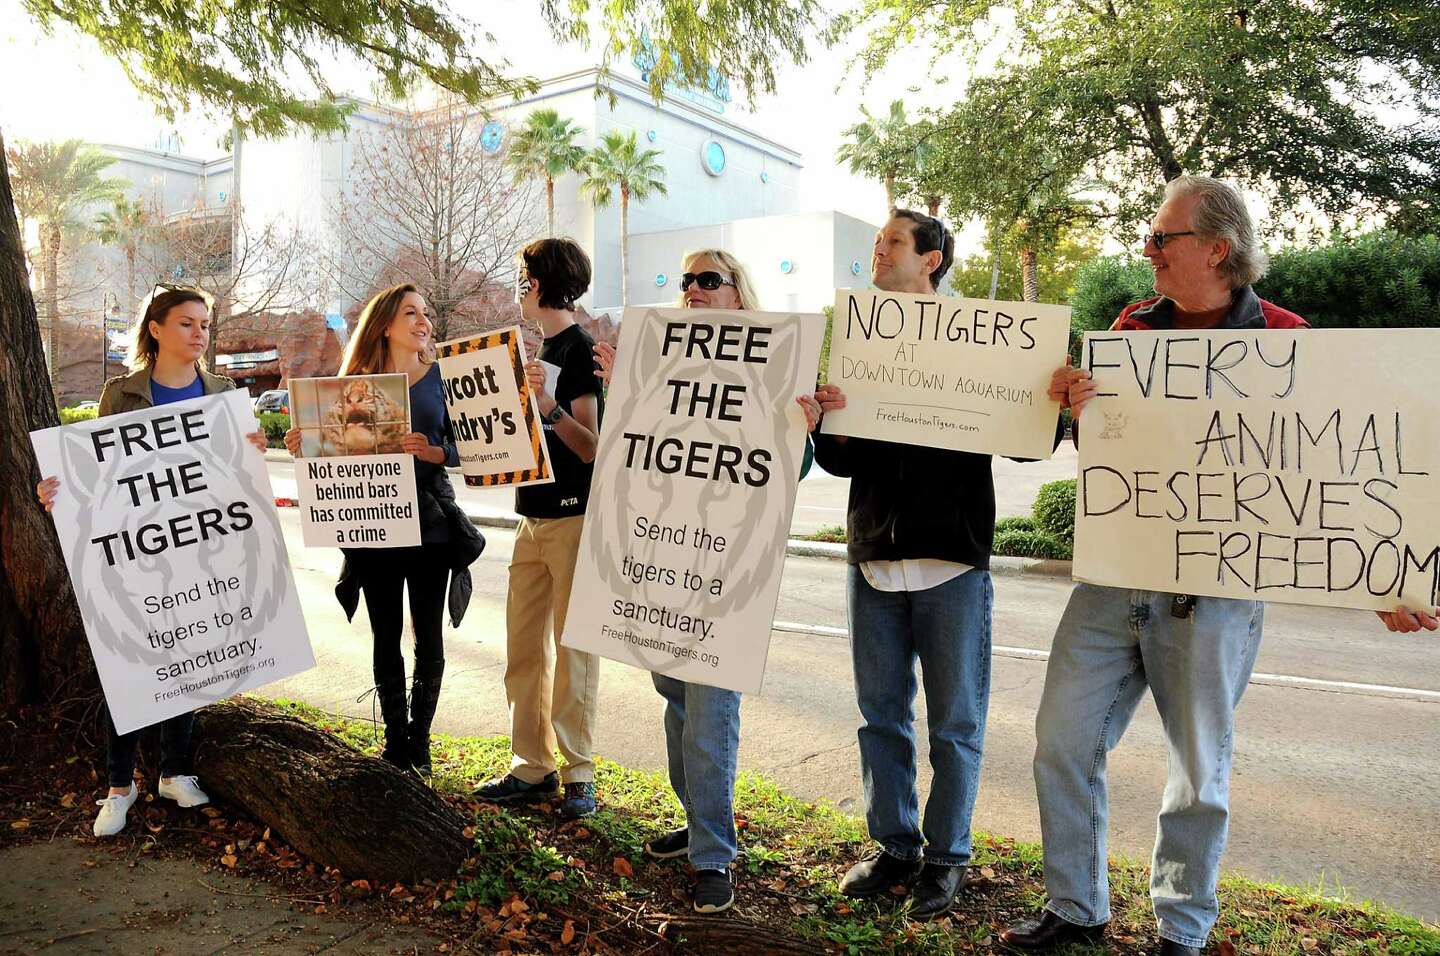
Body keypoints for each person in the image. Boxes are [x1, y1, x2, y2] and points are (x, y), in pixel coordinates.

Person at [1000, 175, 1348, 956]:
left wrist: (1385, 581)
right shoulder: (1132, 327)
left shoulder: (1290, 340)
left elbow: (1323, 480)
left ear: (1218, 249)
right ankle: (1077, 907)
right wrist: (1076, 402)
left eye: (1164, 238)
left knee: (1198, 770)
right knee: (1062, 739)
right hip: (1115, 577)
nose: (1148, 251)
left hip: (1213, 591)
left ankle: (1182, 931)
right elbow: (1109, 451)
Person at [593, 248, 833, 914]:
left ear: (737, 293)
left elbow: (795, 464)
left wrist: (804, 426)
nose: (693, 289)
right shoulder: (663, 360)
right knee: (673, 693)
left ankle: (713, 857)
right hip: (666, 556)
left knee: (709, 711)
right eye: (685, 280)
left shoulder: (773, 362)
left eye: (708, 279)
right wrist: (624, 387)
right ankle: (698, 818)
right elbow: (635, 452)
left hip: (727, 565)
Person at [810, 209, 1006, 921]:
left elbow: (1021, 438)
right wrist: (827, 420)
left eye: (891, 241)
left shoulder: (978, 345)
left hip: (951, 564)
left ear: (932, 260)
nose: (878, 249)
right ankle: (895, 844)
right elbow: (840, 460)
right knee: (880, 716)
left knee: (955, 725)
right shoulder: (858, 341)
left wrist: (1045, 402)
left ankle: (947, 856)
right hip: (874, 563)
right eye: (876, 241)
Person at [36, 285, 267, 837]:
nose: (200, 334)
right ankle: (119, 785)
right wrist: (58, 492)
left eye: (206, 325)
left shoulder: (224, 392)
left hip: (201, 545)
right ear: (157, 329)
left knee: (190, 649)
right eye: (187, 323)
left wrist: (255, 453)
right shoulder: (121, 395)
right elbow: (97, 472)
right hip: (139, 547)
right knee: (134, 663)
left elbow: (234, 472)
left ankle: (175, 771)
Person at [285, 283, 483, 776]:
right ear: (386, 324)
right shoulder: (350, 384)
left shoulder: (444, 379)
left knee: (429, 636)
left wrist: (435, 452)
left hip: (433, 524)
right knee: (385, 634)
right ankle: (395, 742)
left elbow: (474, 448)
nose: (423, 322)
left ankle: (420, 743)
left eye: (425, 314)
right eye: (411, 313)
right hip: (374, 524)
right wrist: (301, 443)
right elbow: (330, 453)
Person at [475, 239, 606, 820]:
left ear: (542, 281)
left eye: (522, 275)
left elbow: (592, 445)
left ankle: (579, 773)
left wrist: (547, 406)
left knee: (573, 648)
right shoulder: (542, 346)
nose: (518, 284)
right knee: (524, 647)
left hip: (574, 516)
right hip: (531, 517)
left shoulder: (577, 346)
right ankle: (532, 768)